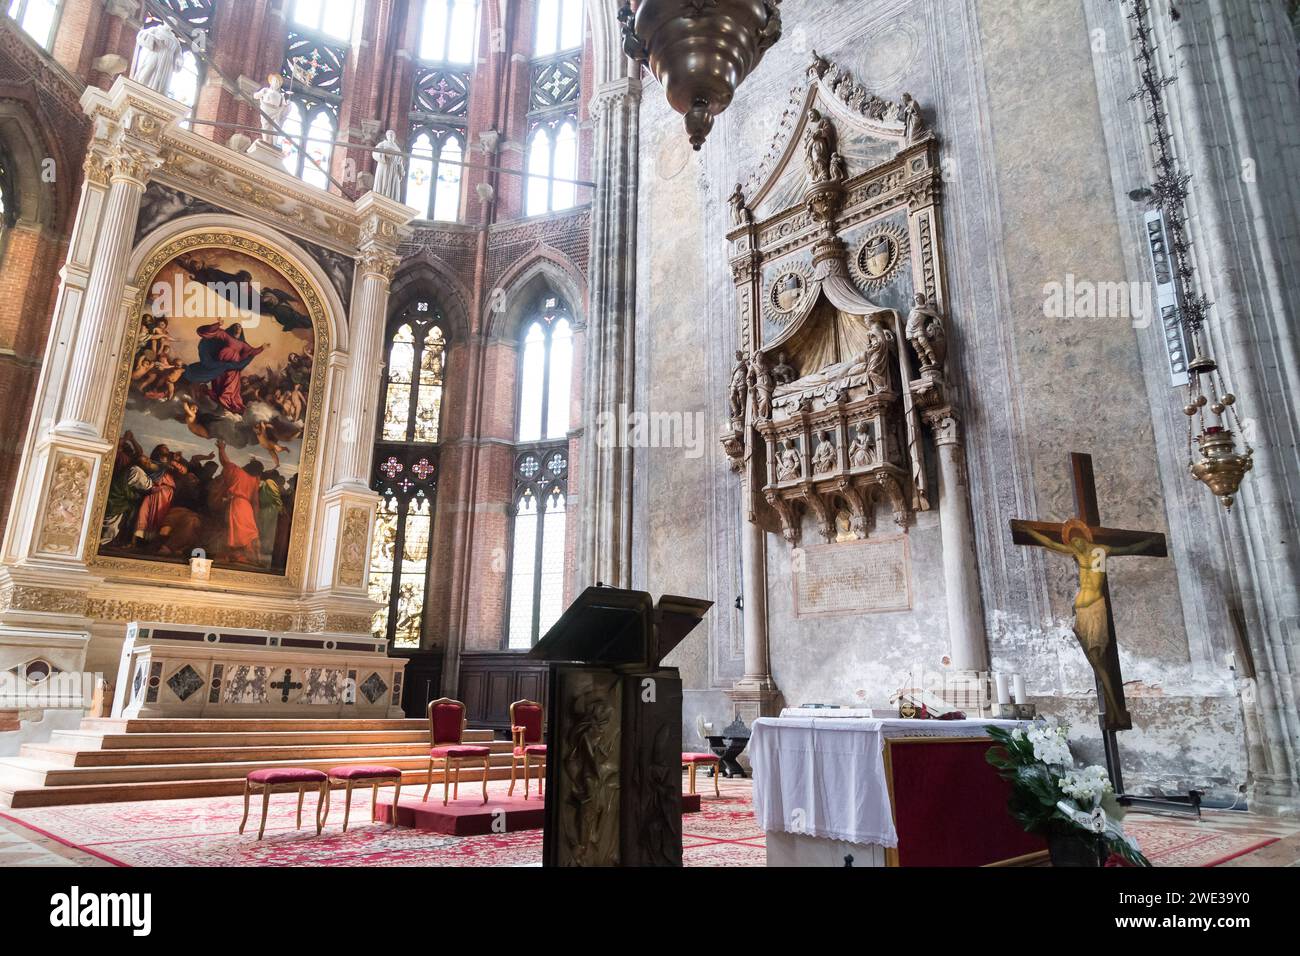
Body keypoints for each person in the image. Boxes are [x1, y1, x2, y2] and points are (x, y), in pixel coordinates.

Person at [185, 320, 265, 415]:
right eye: (236, 326)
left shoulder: (243, 344)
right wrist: (217, 324)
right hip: (221, 365)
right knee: (219, 386)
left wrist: (262, 348)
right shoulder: (226, 336)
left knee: (230, 387)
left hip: (233, 367)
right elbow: (213, 332)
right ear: (233, 328)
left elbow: (252, 351)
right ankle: (220, 408)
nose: (237, 328)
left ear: (241, 330)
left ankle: (225, 407)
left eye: (239, 326)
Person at [214, 439, 262, 564]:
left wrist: (221, 449)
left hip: (237, 505)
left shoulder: (237, 471)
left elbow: (225, 462)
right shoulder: (254, 481)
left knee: (236, 531)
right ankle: (245, 557)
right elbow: (255, 502)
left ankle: (238, 556)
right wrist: (256, 518)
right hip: (247, 508)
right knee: (248, 532)